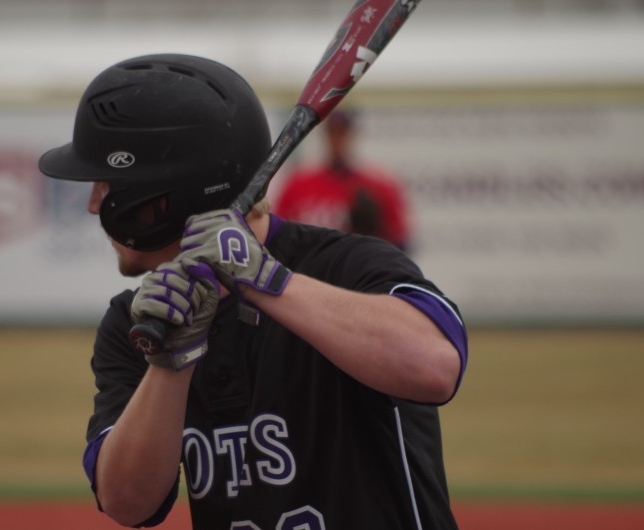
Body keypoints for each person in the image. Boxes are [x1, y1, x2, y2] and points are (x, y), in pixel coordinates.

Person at [38, 53, 468, 530]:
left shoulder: (346, 266)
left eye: (106, 183)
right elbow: (127, 503)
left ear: (167, 191)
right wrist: (172, 360)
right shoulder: (136, 323)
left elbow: (436, 367)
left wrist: (268, 283)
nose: (94, 205)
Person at [274, 109, 414, 252]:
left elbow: (401, 243)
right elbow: (276, 237)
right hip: (308, 268)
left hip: (358, 269)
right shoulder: (298, 184)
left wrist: (376, 239)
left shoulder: (378, 186)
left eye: (342, 132)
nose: (337, 139)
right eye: (333, 132)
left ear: (352, 134)